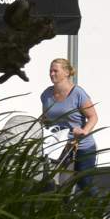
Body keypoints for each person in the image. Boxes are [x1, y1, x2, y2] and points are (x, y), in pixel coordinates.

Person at [38, 58, 99, 190]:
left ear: (66, 72)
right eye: (50, 71)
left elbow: (93, 117)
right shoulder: (46, 95)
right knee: (59, 184)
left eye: (55, 71)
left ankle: (98, 204)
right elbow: (46, 118)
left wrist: (84, 132)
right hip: (59, 146)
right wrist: (38, 124)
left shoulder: (77, 93)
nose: (52, 74)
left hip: (81, 146)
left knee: (85, 183)